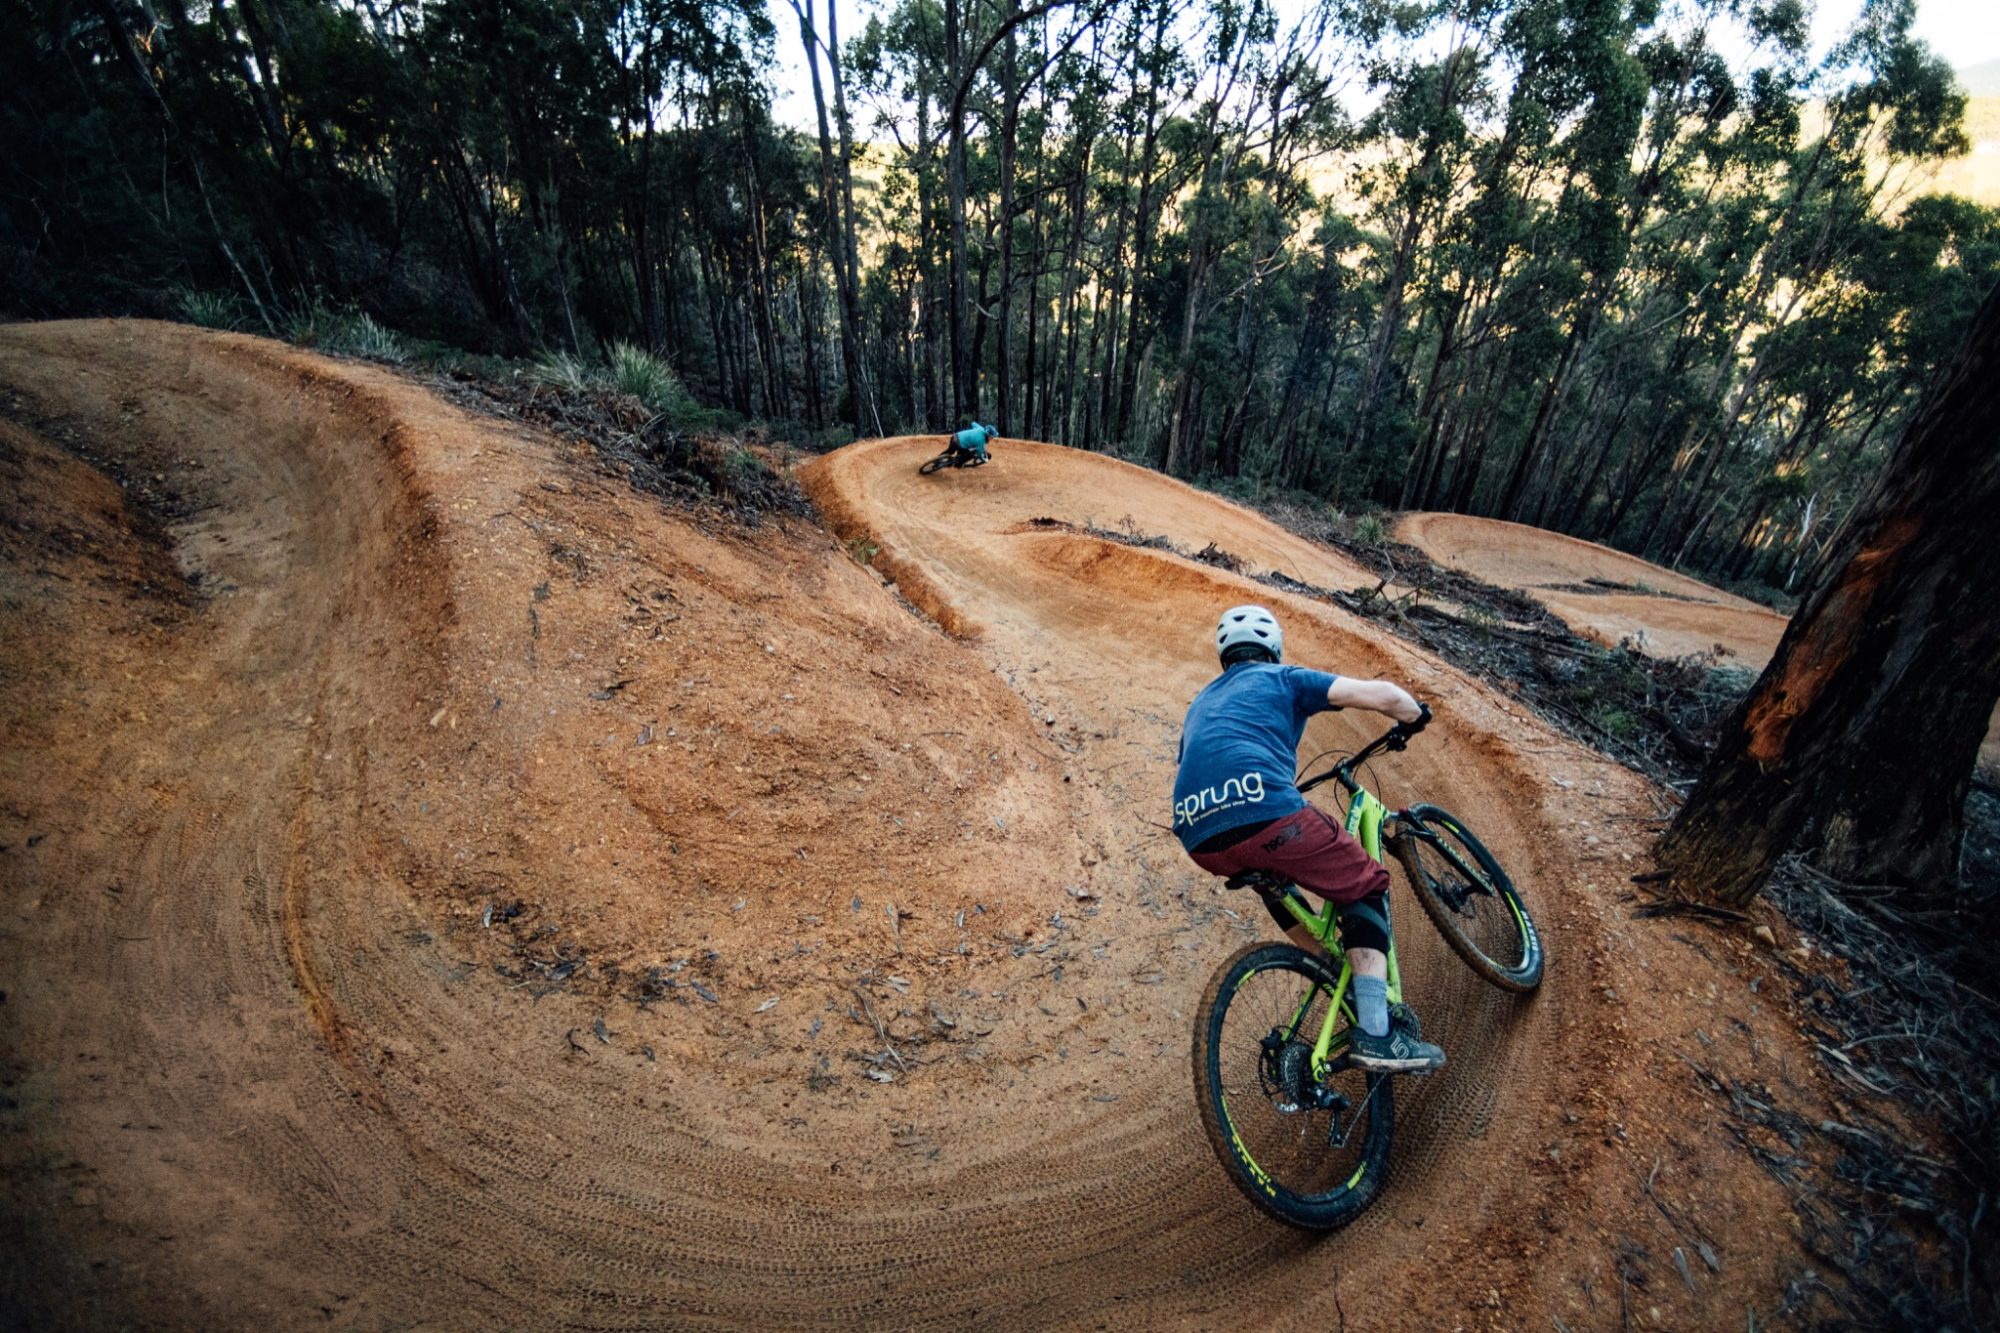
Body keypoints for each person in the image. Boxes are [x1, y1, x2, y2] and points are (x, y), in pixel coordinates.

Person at [1171, 604, 1446, 1073]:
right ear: (1273, 650)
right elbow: (1376, 695)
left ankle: (1328, 963)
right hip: (1267, 812)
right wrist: (1415, 715)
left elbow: (1202, 763)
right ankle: (1377, 1033)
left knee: (1273, 877)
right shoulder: (1283, 679)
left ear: (1225, 656)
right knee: (1366, 883)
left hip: (1200, 835)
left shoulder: (1201, 703)